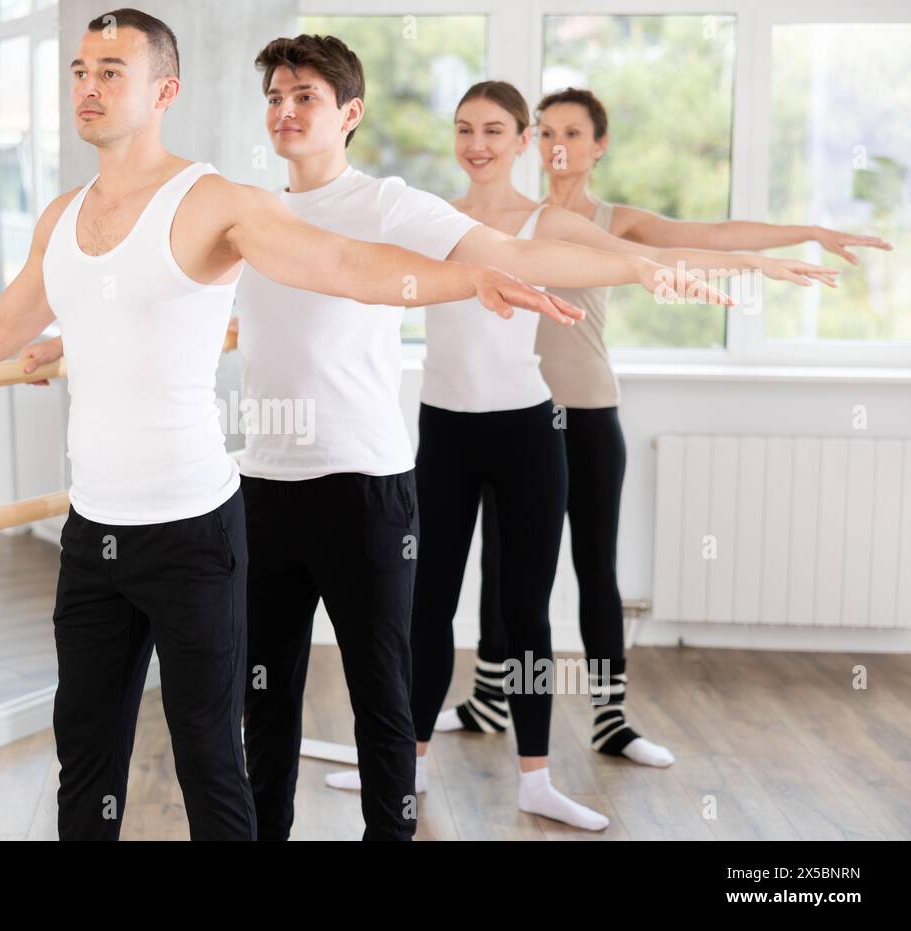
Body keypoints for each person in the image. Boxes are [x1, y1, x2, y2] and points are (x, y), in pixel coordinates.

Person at [0, 9, 588, 841]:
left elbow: (346, 266)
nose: (88, 87)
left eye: (111, 73)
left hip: (196, 529)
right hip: (92, 531)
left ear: (162, 91)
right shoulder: (60, 216)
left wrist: (471, 279)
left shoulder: (214, 199)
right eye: (80, 71)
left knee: (211, 755)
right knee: (84, 759)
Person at [237, 36, 736, 841]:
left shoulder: (399, 206)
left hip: (430, 457)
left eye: (306, 98)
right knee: (273, 689)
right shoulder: (252, 214)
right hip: (313, 468)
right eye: (276, 98)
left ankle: (531, 773)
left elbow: (533, 251)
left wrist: (652, 268)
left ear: (350, 114)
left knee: (507, 618)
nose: (286, 112)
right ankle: (380, 776)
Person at [328, 79, 827, 830]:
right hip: (443, 433)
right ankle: (414, 762)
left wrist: (759, 264)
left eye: (495, 130)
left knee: (527, 611)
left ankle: (535, 778)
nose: (477, 145)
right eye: (464, 129)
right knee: (427, 605)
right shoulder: (432, 219)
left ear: (524, 141)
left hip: (529, 432)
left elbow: (642, 256)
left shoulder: (549, 221)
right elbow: (344, 269)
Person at [442, 85, 890, 769]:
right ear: (532, 141)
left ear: (599, 146)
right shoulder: (505, 220)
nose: (560, 146)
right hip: (512, 415)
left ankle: (611, 717)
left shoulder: (609, 220)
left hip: (587, 411)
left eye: (574, 134)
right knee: (503, 567)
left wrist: (801, 233)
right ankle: (487, 699)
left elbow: (707, 237)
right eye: (549, 132)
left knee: (596, 565)